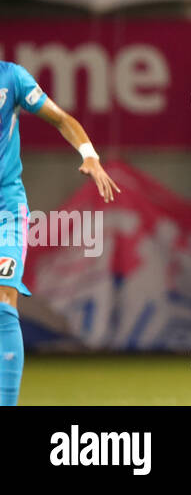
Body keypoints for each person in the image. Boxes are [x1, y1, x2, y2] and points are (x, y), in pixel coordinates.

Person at [0, 61, 121, 404]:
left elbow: (62, 119)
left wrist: (90, 155)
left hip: (5, 211)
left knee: (4, 299)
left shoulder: (12, 78)